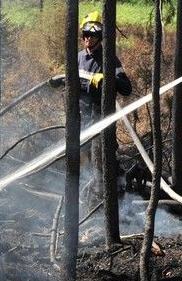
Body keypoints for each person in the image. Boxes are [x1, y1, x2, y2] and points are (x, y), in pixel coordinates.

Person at [49, 11, 133, 203]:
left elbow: (126, 89)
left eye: (92, 35)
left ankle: (118, 199)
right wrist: (58, 81)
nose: (88, 39)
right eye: (85, 35)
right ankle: (85, 198)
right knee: (79, 161)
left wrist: (108, 78)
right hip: (80, 119)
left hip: (101, 120)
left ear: (99, 37)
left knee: (104, 161)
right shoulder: (77, 58)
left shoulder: (109, 59)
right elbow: (72, 82)